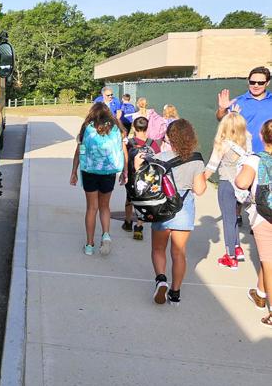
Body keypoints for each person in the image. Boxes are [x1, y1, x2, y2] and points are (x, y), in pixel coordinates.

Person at [134, 119, 206, 305]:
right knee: (179, 253)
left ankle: (161, 279)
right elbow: (200, 189)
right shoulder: (197, 159)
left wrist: (136, 164)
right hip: (184, 208)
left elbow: (145, 182)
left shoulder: (160, 157)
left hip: (162, 207)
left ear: (168, 137)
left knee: (158, 249)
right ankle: (175, 293)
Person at [70, 103, 128, 256]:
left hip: (89, 171)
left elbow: (79, 150)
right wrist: (125, 171)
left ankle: (89, 245)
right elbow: (123, 151)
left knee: (91, 208)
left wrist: (74, 171)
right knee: (105, 207)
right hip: (109, 172)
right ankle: (106, 235)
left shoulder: (86, 128)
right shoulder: (116, 128)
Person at [235, 119, 272, 326]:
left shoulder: (255, 160)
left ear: (261, 136)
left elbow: (242, 182)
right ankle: (260, 293)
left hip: (264, 215)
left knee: (268, 261)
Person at [203, 112, 252, 269]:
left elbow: (211, 167)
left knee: (228, 220)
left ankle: (230, 256)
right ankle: (237, 247)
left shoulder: (222, 144)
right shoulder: (247, 141)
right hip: (242, 185)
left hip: (226, 184)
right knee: (234, 217)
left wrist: (199, 181)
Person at [122, 116, 161, 240]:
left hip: (132, 176)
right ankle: (139, 226)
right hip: (147, 178)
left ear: (134, 127)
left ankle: (128, 222)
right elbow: (158, 159)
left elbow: (124, 158)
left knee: (129, 198)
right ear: (147, 128)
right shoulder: (153, 144)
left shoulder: (129, 143)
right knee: (143, 200)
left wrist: (123, 173)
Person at [217, 67, 272, 153]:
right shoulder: (238, 102)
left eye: (260, 83)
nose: (256, 85)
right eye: (252, 82)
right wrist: (222, 109)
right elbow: (222, 119)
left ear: (267, 83)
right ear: (248, 81)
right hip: (244, 154)